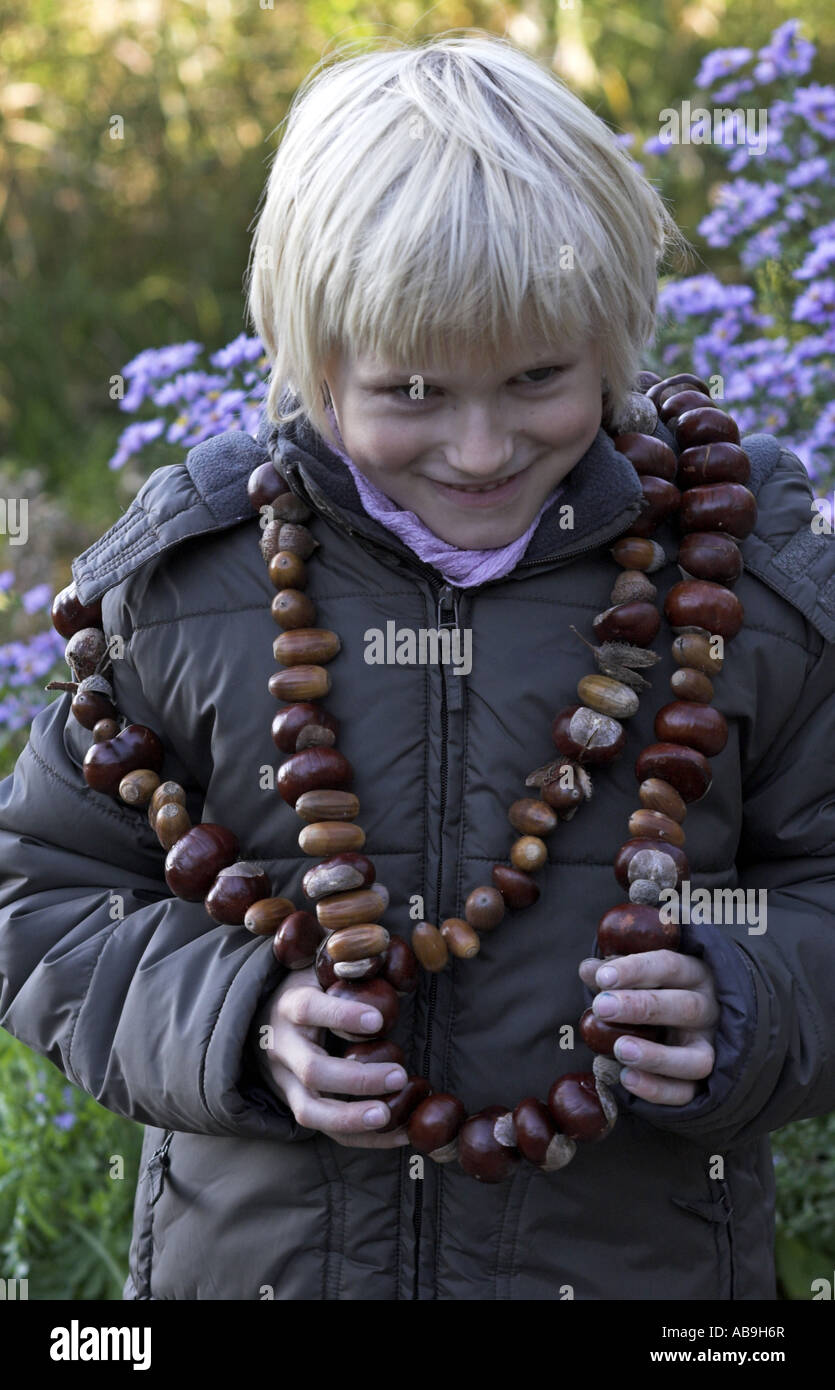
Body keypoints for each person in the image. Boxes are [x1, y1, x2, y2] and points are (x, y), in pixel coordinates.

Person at [1, 31, 834, 1302]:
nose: (483, 446)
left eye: (539, 379)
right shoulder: (190, 590)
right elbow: (44, 894)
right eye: (413, 391)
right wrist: (240, 1023)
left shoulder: (738, 584)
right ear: (307, 355)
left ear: (614, 329)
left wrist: (747, 994)